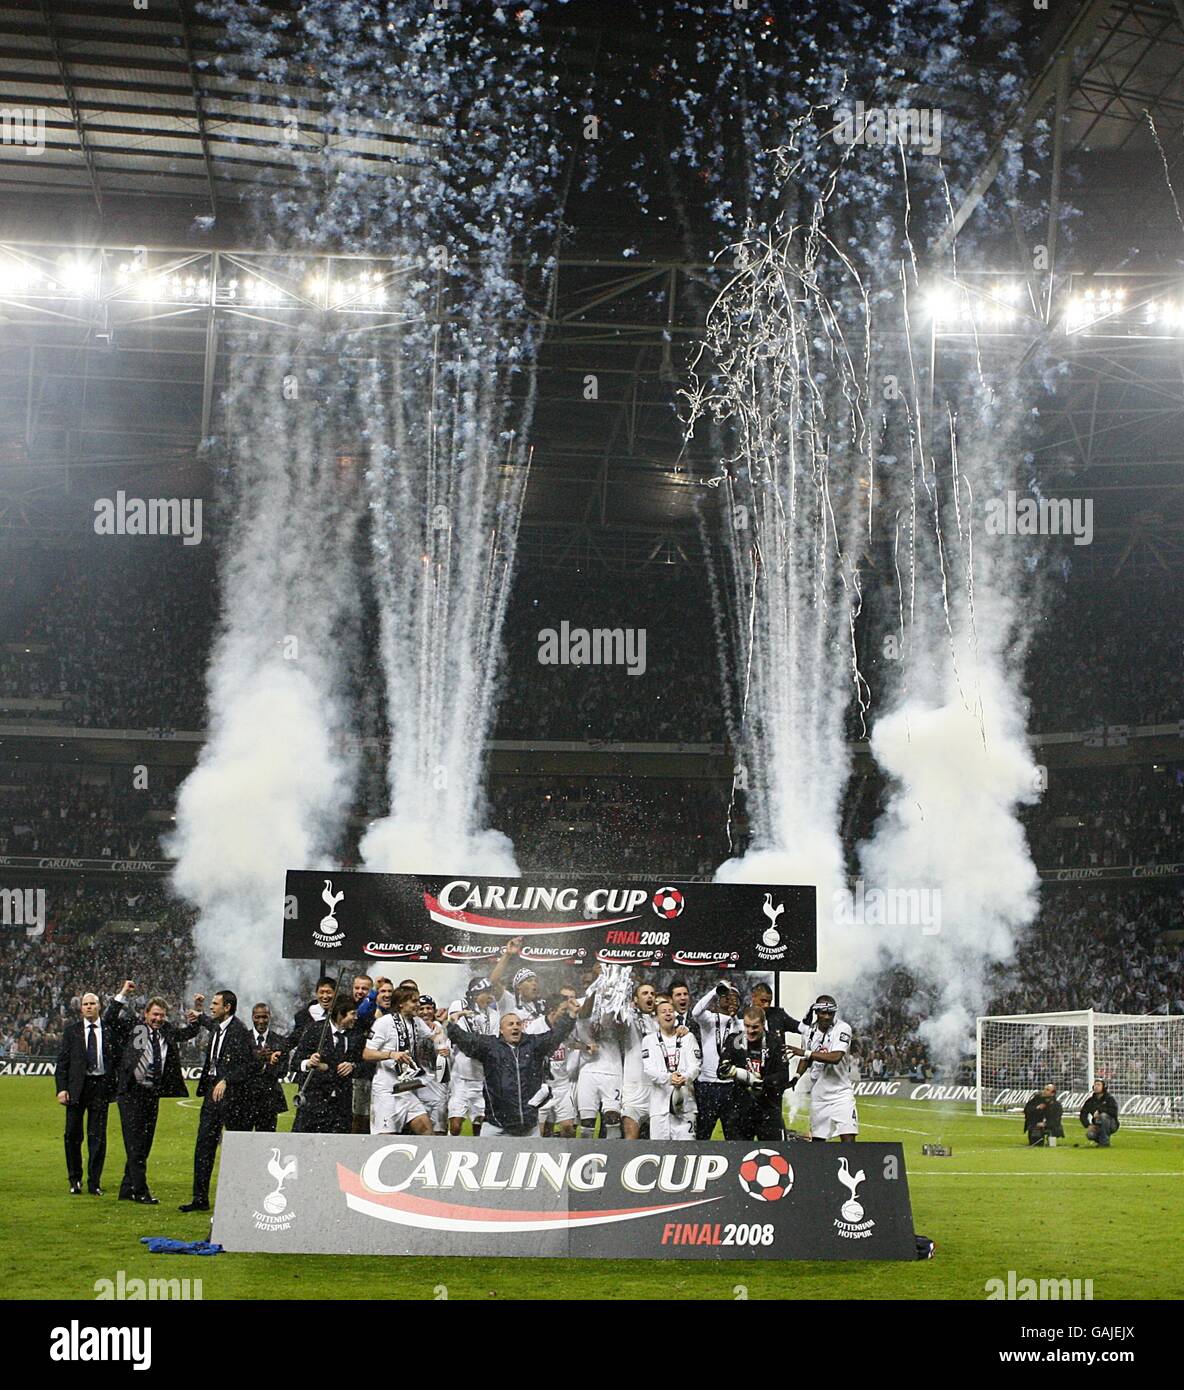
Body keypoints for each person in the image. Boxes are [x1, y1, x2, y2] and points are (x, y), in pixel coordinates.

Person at [105, 981, 202, 1203]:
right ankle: (140, 1192)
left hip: (152, 1094)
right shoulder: (136, 1028)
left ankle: (127, 1189)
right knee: (136, 1144)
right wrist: (122, 994)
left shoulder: (166, 1031)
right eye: (155, 1015)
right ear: (146, 1013)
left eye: (162, 1016)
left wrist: (198, 1011)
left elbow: (188, 1033)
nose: (158, 1019)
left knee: (143, 1144)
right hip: (131, 1094)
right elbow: (109, 1020)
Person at [447, 999, 581, 1136]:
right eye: (510, 1024)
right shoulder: (490, 1047)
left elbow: (556, 1036)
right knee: (485, 1156)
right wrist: (452, 1023)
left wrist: (571, 1016)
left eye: (518, 1024)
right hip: (496, 1126)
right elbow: (465, 1039)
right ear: (501, 1030)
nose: (515, 1027)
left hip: (528, 1128)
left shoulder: (534, 1045)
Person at [181, 988, 257, 1213]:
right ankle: (200, 1198)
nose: (212, 1007)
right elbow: (206, 1021)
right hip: (211, 1095)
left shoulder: (240, 1031)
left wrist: (227, 1080)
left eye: (216, 1004)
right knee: (204, 1144)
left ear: (227, 1008)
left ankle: (236, 1197)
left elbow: (251, 1065)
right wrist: (199, 1010)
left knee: (235, 1148)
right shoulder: (218, 1026)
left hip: (234, 1099)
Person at [54, 991, 117, 1195]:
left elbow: (114, 1060)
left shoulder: (109, 1029)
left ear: (99, 1006)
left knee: (97, 1137)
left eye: (92, 1003)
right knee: (72, 1135)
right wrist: (62, 1089)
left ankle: (94, 1182)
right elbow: (62, 1063)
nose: (89, 1007)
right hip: (76, 1089)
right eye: (85, 1004)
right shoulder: (71, 1031)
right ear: (81, 1008)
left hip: (100, 1087)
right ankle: (75, 1179)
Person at [364, 985, 435, 1136]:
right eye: (414, 1001)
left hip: (406, 1089)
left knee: (427, 1132)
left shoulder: (416, 1022)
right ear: (401, 1003)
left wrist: (442, 1037)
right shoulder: (384, 1023)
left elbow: (434, 1036)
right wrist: (391, 1054)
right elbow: (367, 1054)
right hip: (386, 1091)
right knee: (385, 1139)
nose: (418, 1005)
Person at [791, 994, 858, 1143]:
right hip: (819, 1097)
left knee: (849, 1141)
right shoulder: (809, 1032)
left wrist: (806, 1053)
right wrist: (796, 1076)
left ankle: (850, 1166)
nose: (827, 1017)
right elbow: (805, 1059)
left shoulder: (843, 1028)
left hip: (841, 1094)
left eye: (831, 1013)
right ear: (816, 1012)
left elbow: (836, 1057)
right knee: (818, 1144)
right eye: (823, 1013)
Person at [719, 1005, 790, 1141]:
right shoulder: (735, 1041)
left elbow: (784, 1075)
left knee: (775, 1153)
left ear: (763, 1024)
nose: (750, 1031)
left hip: (768, 1108)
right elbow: (720, 1072)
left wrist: (765, 1083)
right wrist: (727, 1071)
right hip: (741, 1110)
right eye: (747, 1026)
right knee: (739, 1156)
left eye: (755, 1027)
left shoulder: (774, 1042)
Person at [292, 997, 361, 1134]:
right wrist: (309, 1062)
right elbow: (296, 1062)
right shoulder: (316, 1030)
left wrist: (353, 1066)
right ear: (341, 1014)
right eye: (353, 1014)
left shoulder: (355, 1034)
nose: (356, 1018)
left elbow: (364, 1063)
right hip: (314, 1103)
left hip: (341, 1107)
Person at [641, 998, 701, 1139]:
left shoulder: (688, 1037)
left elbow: (696, 1065)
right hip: (659, 1108)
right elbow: (649, 1069)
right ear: (656, 1017)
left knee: (686, 1151)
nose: (668, 1014)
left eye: (670, 1011)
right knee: (659, 1153)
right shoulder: (649, 1040)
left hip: (686, 1106)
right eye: (663, 1012)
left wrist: (684, 1078)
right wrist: (669, 1078)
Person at [447, 978, 498, 1136]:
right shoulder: (459, 1006)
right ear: (475, 994)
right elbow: (460, 1038)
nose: (490, 997)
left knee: (480, 1124)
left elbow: (491, 1043)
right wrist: (477, 1044)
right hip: (460, 1077)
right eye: (486, 992)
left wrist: (477, 1044)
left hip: (482, 1078)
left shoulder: (495, 1015)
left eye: (490, 992)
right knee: (455, 1125)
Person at [692, 980, 743, 1139]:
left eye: (734, 998)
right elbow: (695, 1012)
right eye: (726, 996)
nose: (730, 1000)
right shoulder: (709, 1018)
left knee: (732, 1136)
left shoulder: (740, 1023)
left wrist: (734, 1016)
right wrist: (716, 990)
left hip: (730, 1086)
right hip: (707, 1085)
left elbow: (741, 1037)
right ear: (719, 998)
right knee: (703, 1134)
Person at [537, 985, 582, 1138]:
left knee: (569, 1129)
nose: (565, 1014)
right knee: (540, 1132)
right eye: (563, 1011)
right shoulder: (535, 1028)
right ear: (552, 1010)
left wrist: (586, 1047)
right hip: (542, 1087)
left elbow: (571, 1042)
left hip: (562, 1085)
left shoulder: (566, 1027)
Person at [621, 981, 660, 1139]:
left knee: (657, 1141)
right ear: (635, 1000)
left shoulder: (660, 1022)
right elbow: (618, 1017)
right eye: (645, 993)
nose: (650, 996)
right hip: (633, 1089)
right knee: (631, 1139)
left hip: (656, 1090)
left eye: (652, 993)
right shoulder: (628, 1018)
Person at [242, 1002, 289, 1132]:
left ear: (270, 1017)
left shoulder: (280, 1041)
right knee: (243, 1141)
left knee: (266, 1142)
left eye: (264, 1017)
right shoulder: (243, 1039)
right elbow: (240, 1068)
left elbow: (283, 1071)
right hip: (245, 1099)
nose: (261, 1021)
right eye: (258, 1017)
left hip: (269, 1100)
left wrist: (267, 1065)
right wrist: (261, 1061)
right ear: (252, 1017)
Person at [414, 995, 450, 1135]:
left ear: (434, 1011)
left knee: (439, 1133)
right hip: (417, 1091)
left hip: (438, 1091)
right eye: (421, 1009)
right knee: (420, 1133)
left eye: (429, 1008)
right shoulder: (412, 1029)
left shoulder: (443, 1030)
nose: (425, 1012)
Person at [349, 975, 374, 1134]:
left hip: (373, 1072)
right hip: (356, 1072)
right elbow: (360, 1014)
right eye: (357, 988)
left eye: (364, 989)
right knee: (357, 1117)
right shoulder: (348, 1008)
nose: (360, 991)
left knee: (370, 1117)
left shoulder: (375, 1009)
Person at [290, 977, 337, 1051]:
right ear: (316, 994)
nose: (325, 997)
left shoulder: (342, 1014)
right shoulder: (304, 1016)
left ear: (335, 993)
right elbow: (295, 1039)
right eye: (321, 992)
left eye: (328, 992)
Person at [1080, 1079, 1120, 1147]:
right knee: (1090, 1135)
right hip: (1097, 1124)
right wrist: (1088, 1125)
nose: (1096, 1086)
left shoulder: (1109, 1099)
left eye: (1098, 1085)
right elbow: (1083, 1114)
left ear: (1103, 1087)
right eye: (1095, 1085)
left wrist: (1100, 1111)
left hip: (1111, 1124)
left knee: (1103, 1116)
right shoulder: (1090, 1101)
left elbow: (1114, 1112)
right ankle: (1101, 1140)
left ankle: (1104, 1142)